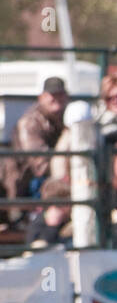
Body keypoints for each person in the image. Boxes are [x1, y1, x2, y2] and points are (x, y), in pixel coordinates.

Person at [3, 76, 68, 227]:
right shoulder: (30, 122)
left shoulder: (67, 118)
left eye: (60, 94)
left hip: (56, 181)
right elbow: (41, 166)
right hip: (27, 185)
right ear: (42, 97)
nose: (56, 99)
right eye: (52, 95)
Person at [24, 177, 73, 248]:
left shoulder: (68, 220)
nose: (70, 206)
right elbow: (38, 251)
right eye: (67, 202)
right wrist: (52, 227)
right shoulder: (37, 226)